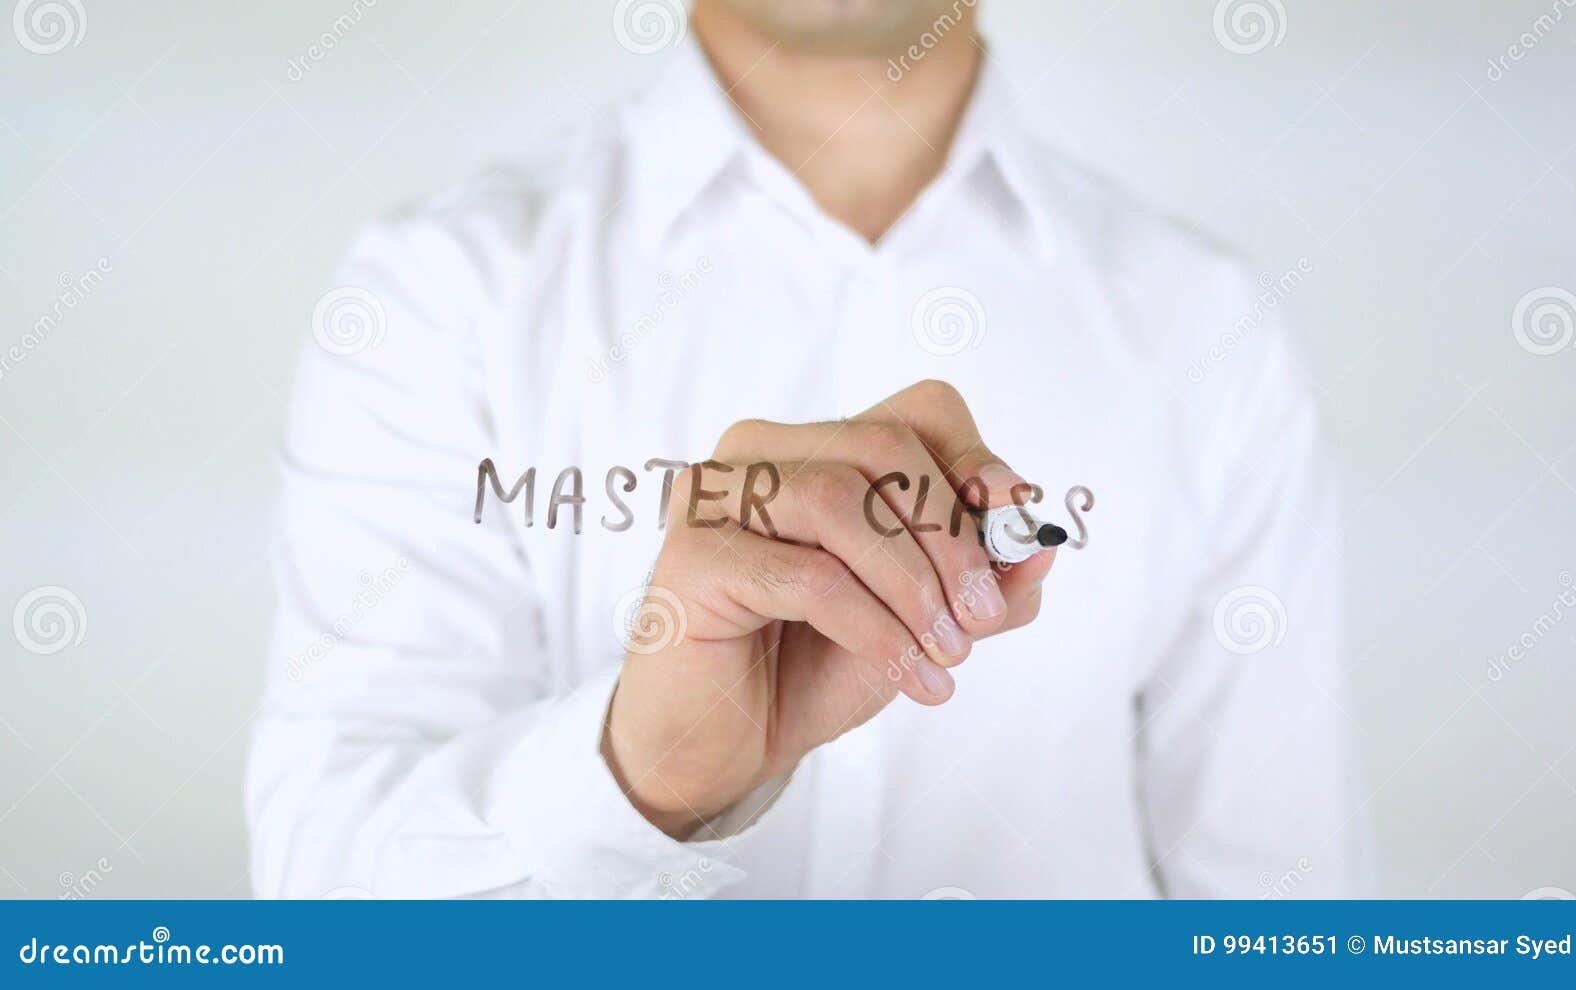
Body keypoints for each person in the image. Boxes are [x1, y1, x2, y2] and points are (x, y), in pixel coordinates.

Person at [246, 0, 1356, 898]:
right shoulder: (442, 295)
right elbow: (326, 901)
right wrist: (648, 777)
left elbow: (1281, 914)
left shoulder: (1207, 329)